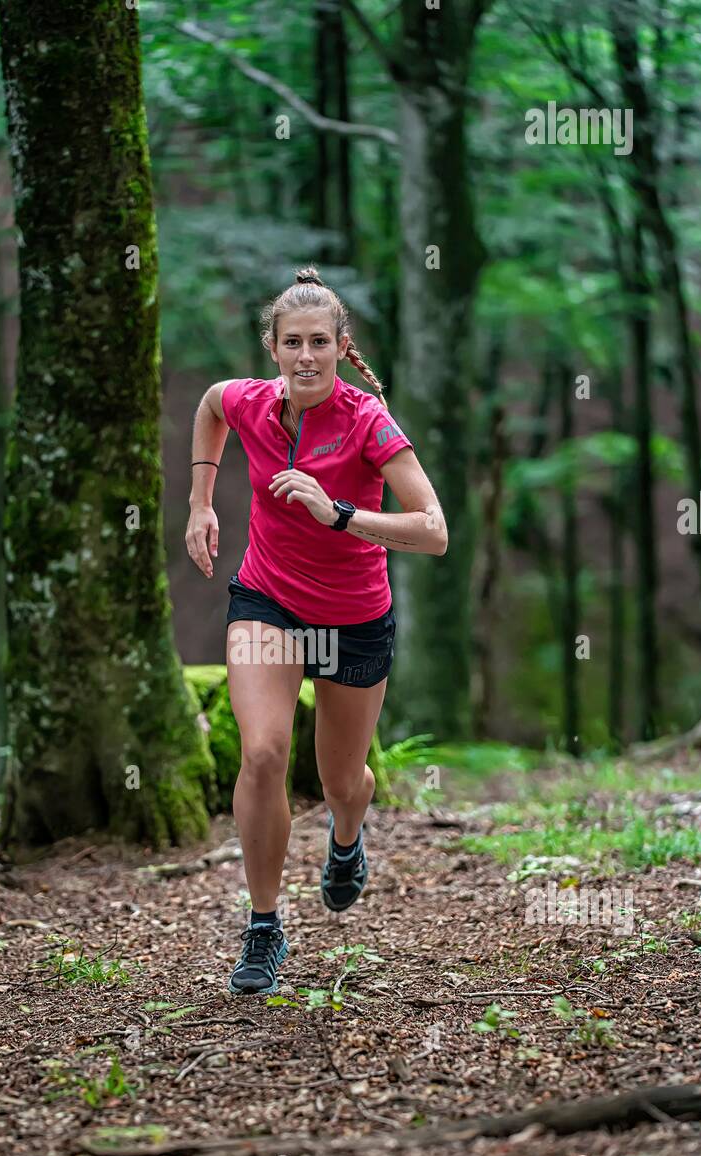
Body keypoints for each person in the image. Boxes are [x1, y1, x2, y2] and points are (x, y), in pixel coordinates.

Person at [186, 266, 447, 995]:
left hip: (355, 617)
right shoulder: (248, 403)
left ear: (339, 348)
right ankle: (264, 926)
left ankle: (345, 840)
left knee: (343, 781)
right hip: (267, 602)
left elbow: (434, 531)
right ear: (272, 347)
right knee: (264, 754)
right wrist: (200, 502)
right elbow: (209, 405)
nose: (306, 356)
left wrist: (340, 512)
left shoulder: (367, 421)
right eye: (292, 342)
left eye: (320, 344)